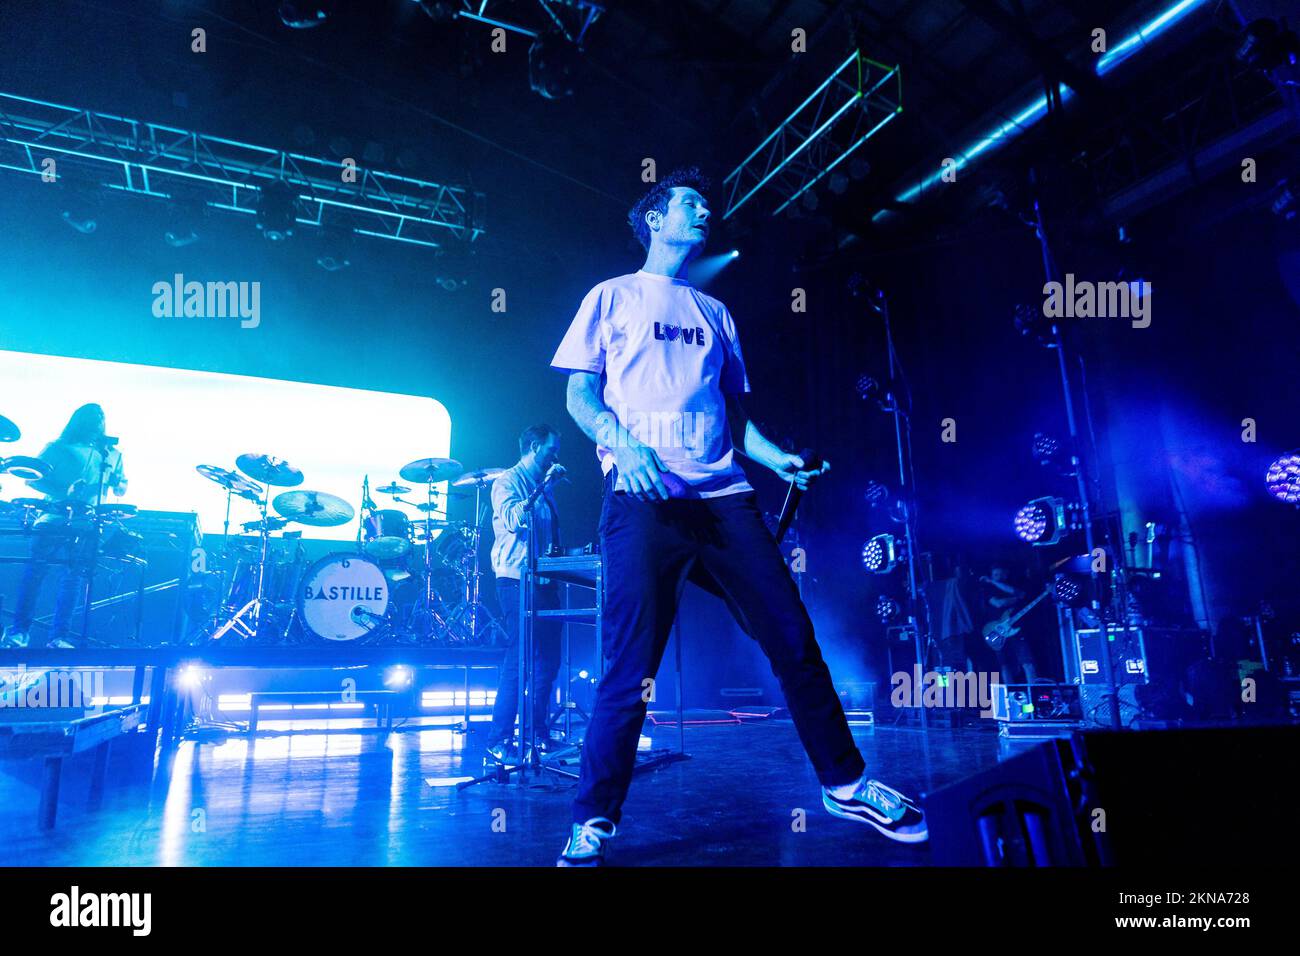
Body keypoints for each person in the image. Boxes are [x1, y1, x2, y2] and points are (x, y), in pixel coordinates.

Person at [549, 167, 927, 865]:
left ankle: (845, 783)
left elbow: (733, 413)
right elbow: (580, 396)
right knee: (629, 667)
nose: (705, 214)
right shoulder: (611, 296)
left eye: (705, 206)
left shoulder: (715, 313)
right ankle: (593, 820)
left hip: (724, 500)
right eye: (690, 204)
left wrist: (777, 458)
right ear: (654, 218)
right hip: (643, 500)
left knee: (792, 636)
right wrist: (619, 440)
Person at [2, 404, 126, 649]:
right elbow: (31, 479)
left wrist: (117, 484)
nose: (99, 420)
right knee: (35, 574)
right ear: (80, 421)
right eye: (94, 417)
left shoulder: (112, 454)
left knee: (72, 580)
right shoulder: (58, 447)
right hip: (53, 517)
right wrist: (63, 490)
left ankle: (59, 637)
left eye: (102, 417)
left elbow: (121, 487)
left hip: (87, 523)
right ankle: (19, 632)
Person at [484, 424, 565, 762]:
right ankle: (498, 739)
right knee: (520, 659)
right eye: (550, 451)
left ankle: (538, 733)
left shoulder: (542, 487)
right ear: (533, 447)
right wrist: (545, 485)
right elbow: (515, 519)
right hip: (515, 580)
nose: (555, 458)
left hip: (544, 580)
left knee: (549, 659)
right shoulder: (507, 482)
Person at [980, 565, 1039, 684]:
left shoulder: (1015, 585)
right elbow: (998, 603)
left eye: (1001, 574)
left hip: (1016, 629)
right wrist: (1015, 599)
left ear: (1006, 574)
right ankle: (1009, 694)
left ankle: (1034, 692)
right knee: (1004, 664)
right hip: (997, 629)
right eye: (995, 575)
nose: (999, 577)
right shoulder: (988, 590)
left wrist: (993, 582)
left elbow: (1021, 594)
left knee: (1027, 661)